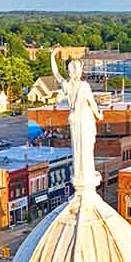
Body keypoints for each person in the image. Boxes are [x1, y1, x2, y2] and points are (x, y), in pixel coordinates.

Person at [51, 48, 103, 191]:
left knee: (77, 147)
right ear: (78, 71)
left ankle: (80, 173)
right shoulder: (84, 86)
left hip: (74, 118)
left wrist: (52, 57)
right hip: (85, 118)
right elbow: (92, 102)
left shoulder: (67, 85)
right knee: (86, 146)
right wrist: (98, 115)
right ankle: (86, 174)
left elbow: (56, 74)